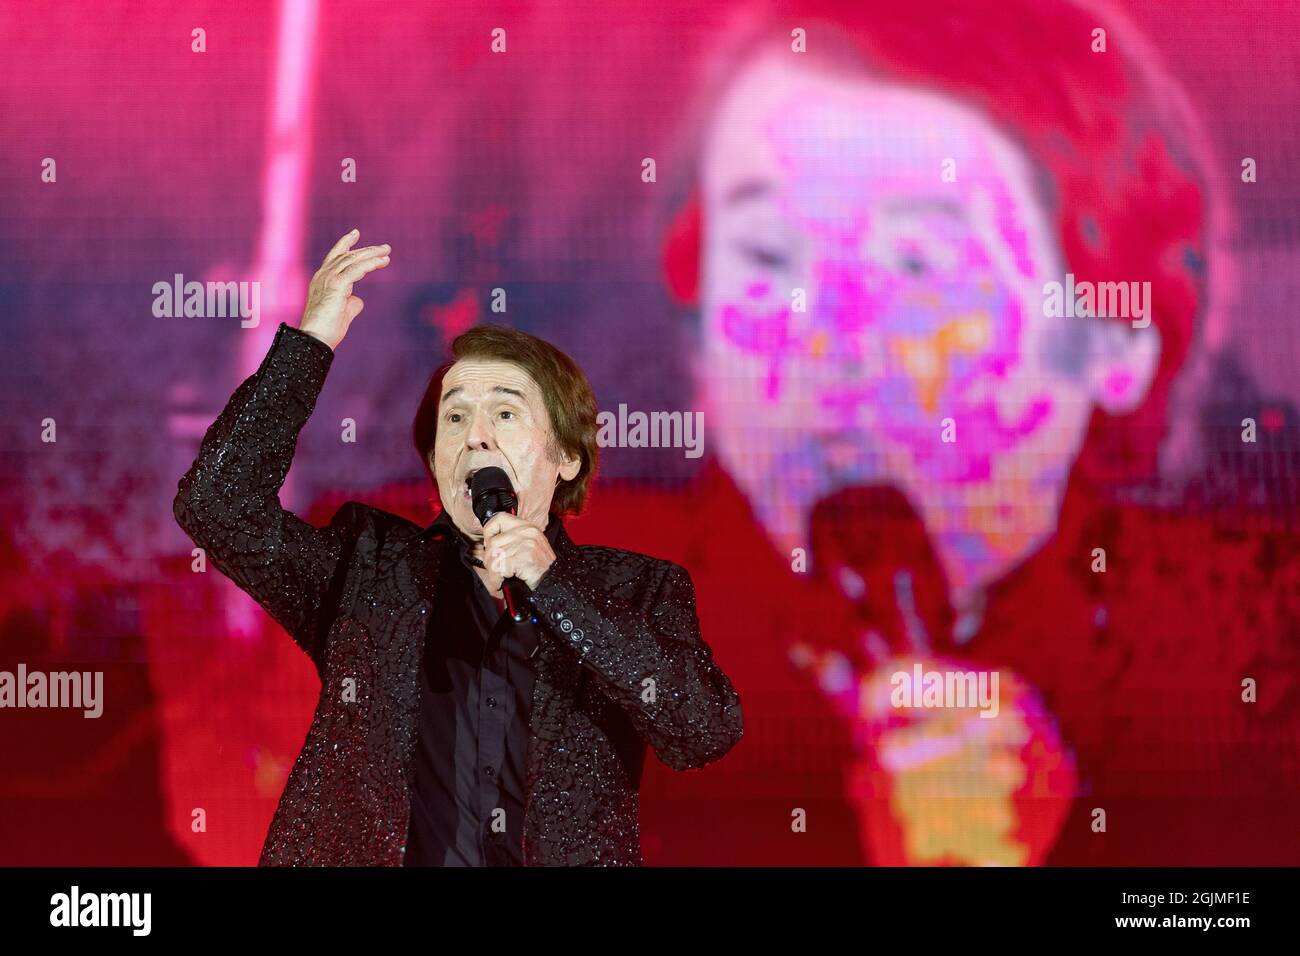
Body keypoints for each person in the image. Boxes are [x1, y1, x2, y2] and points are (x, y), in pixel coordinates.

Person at [565, 0, 1299, 865]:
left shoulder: (1253, 674)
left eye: (916, 267)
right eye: (767, 257)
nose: (824, 335)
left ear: (1115, 336)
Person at [172, 229, 743, 866]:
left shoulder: (638, 591)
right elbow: (217, 508)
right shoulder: (368, 569)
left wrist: (554, 587)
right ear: (436, 460)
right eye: (453, 417)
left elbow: (702, 728)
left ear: (566, 458)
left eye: (505, 413)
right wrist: (309, 345)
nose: (475, 435)